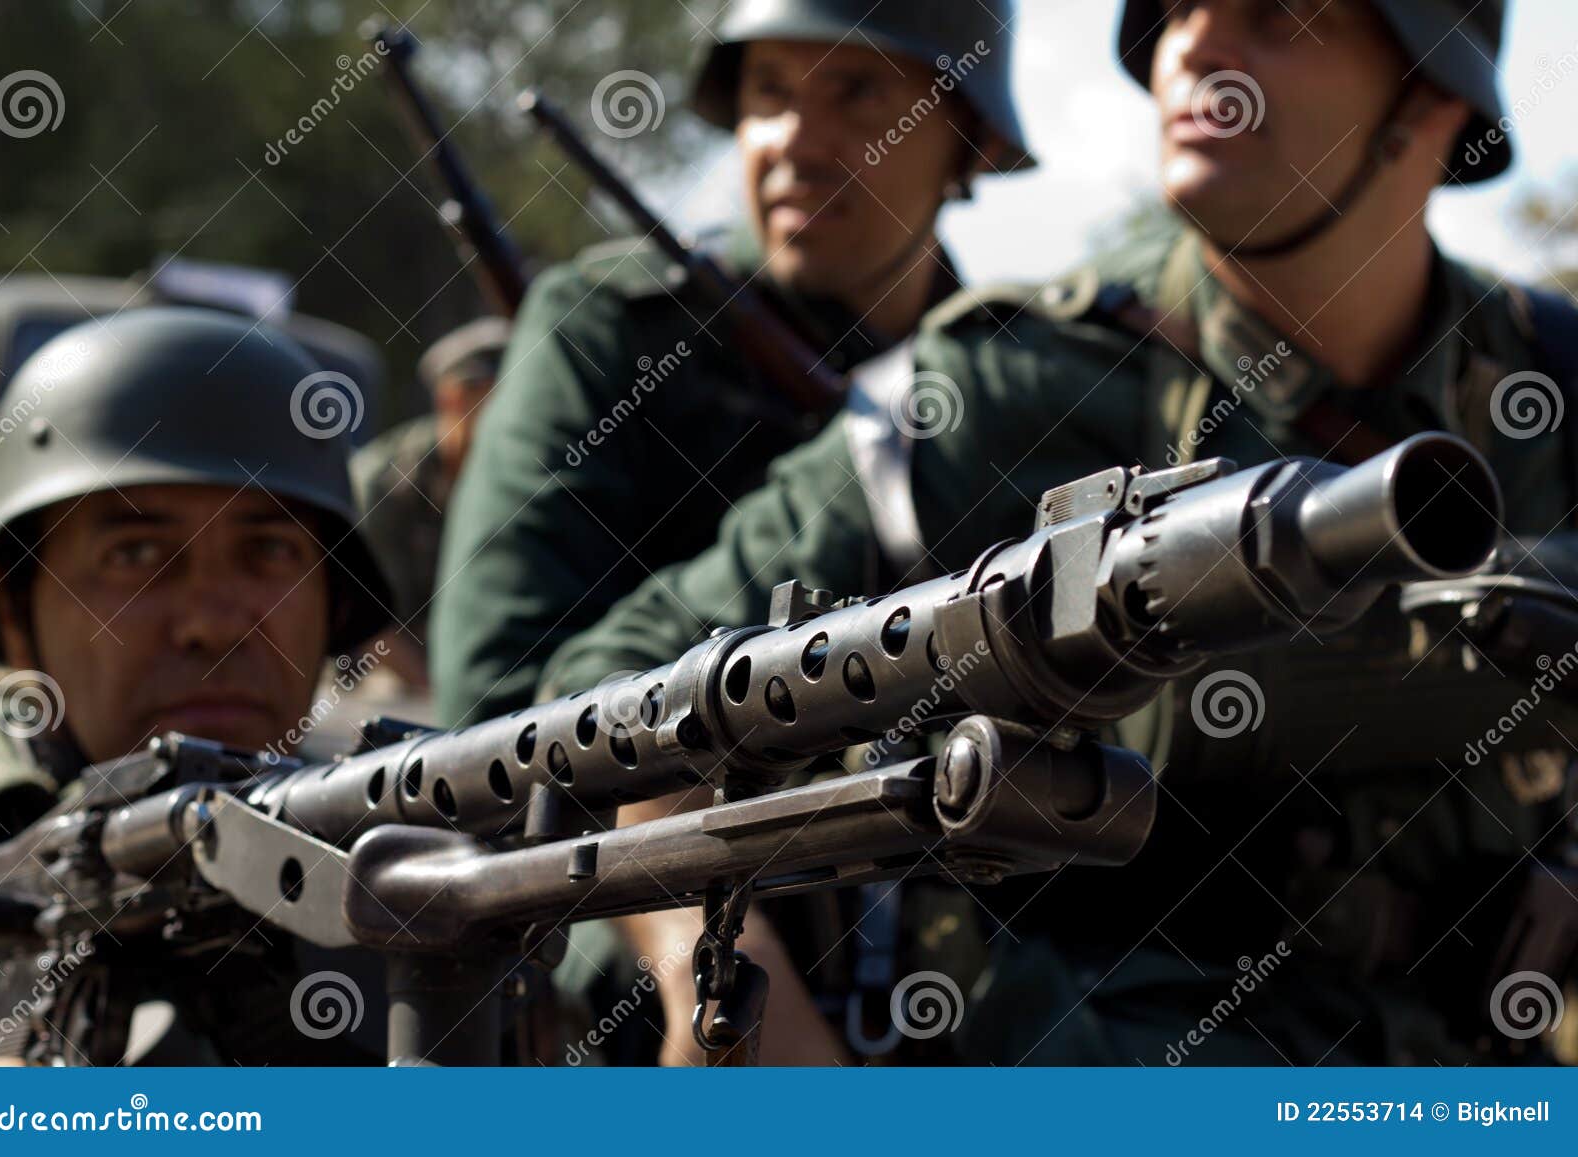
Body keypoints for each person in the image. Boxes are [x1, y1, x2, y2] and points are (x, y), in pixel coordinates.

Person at [539, 0, 1578, 1065]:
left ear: (1430, 96)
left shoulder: (1549, 386)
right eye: (1177, 14)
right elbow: (613, 690)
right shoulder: (1012, 385)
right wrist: (723, 990)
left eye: (1273, 17)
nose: (1193, 51)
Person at [432, 0, 1035, 1065]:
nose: (796, 140)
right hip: (630, 935)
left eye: (857, 92)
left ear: (970, 141)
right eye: (767, 93)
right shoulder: (610, 332)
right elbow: (496, 729)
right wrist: (700, 944)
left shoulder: (1013, 384)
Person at [0, 307, 394, 1064]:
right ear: (14, 609)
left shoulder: (400, 852)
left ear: (331, 599)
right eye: (135, 552)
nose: (212, 622)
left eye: (267, 549)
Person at [351, 316, 513, 690]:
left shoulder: (515, 479)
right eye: (500, 399)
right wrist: (443, 700)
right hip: (383, 680)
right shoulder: (385, 482)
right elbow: (373, 625)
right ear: (453, 398)